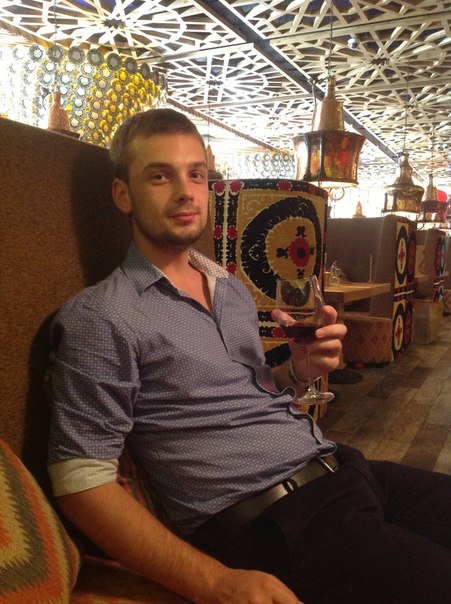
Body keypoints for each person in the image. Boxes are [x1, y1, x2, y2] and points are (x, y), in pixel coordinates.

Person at [47, 108, 451, 604]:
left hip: (343, 468)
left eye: (197, 174)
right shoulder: (103, 316)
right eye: (160, 176)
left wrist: (296, 370)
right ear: (122, 194)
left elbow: (253, 387)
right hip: (278, 522)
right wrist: (217, 582)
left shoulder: (229, 288)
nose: (186, 192)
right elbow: (80, 481)